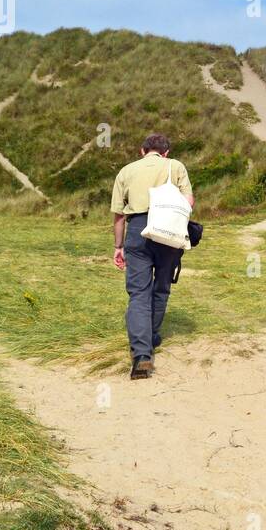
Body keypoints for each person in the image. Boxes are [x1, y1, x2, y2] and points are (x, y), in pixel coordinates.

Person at [111, 133, 195, 380]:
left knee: (139, 293)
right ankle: (152, 335)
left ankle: (142, 355)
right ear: (166, 153)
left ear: (142, 151)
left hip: (138, 228)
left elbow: (118, 214)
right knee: (161, 287)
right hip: (168, 230)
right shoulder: (176, 166)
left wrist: (118, 246)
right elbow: (189, 201)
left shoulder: (126, 171)